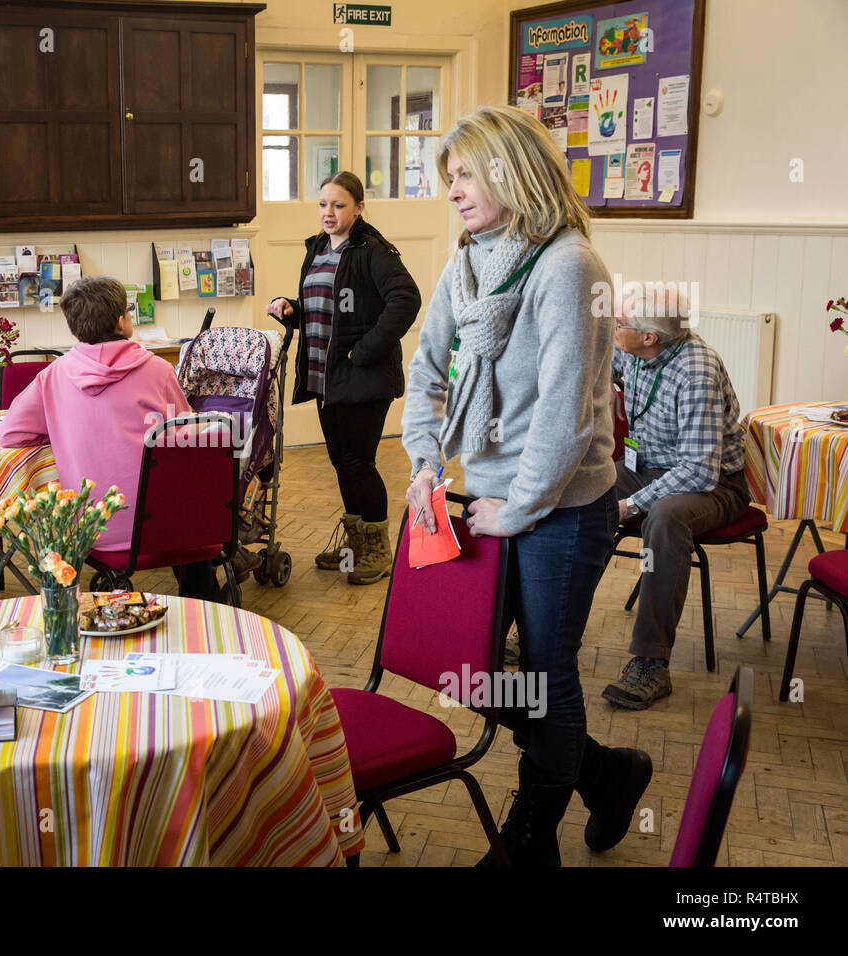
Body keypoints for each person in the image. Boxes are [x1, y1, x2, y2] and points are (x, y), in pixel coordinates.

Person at [402, 105, 652, 866]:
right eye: (449, 178)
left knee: (547, 673)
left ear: (513, 168)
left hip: (564, 510)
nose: (453, 191)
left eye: (466, 173)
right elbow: (426, 367)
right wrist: (422, 459)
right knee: (476, 669)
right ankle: (607, 772)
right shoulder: (470, 259)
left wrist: (523, 507)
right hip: (491, 498)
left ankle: (530, 838)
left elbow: (568, 410)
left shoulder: (569, 265)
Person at [0, 276, 226, 602]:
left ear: (74, 328)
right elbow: (184, 437)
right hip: (163, 528)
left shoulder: (53, 376)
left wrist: (61, 427)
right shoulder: (159, 370)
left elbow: (10, 433)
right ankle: (205, 608)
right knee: (191, 492)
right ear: (121, 321)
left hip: (93, 530)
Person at [267, 171, 421, 586]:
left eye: (338, 205)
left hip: (363, 377)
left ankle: (377, 549)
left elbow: (406, 299)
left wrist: (367, 348)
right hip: (324, 376)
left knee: (359, 463)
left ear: (358, 208)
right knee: (342, 463)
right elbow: (325, 307)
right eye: (323, 205)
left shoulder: (371, 249)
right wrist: (292, 309)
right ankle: (355, 548)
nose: (329, 213)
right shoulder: (317, 248)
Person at [603, 283, 748, 710]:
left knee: (663, 519)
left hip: (714, 484)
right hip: (645, 468)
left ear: (650, 337)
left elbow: (698, 471)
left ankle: (651, 663)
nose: (613, 326)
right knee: (582, 490)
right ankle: (543, 631)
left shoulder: (695, 371)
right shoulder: (632, 348)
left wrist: (629, 506)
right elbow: (597, 360)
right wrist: (603, 386)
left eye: (620, 323)